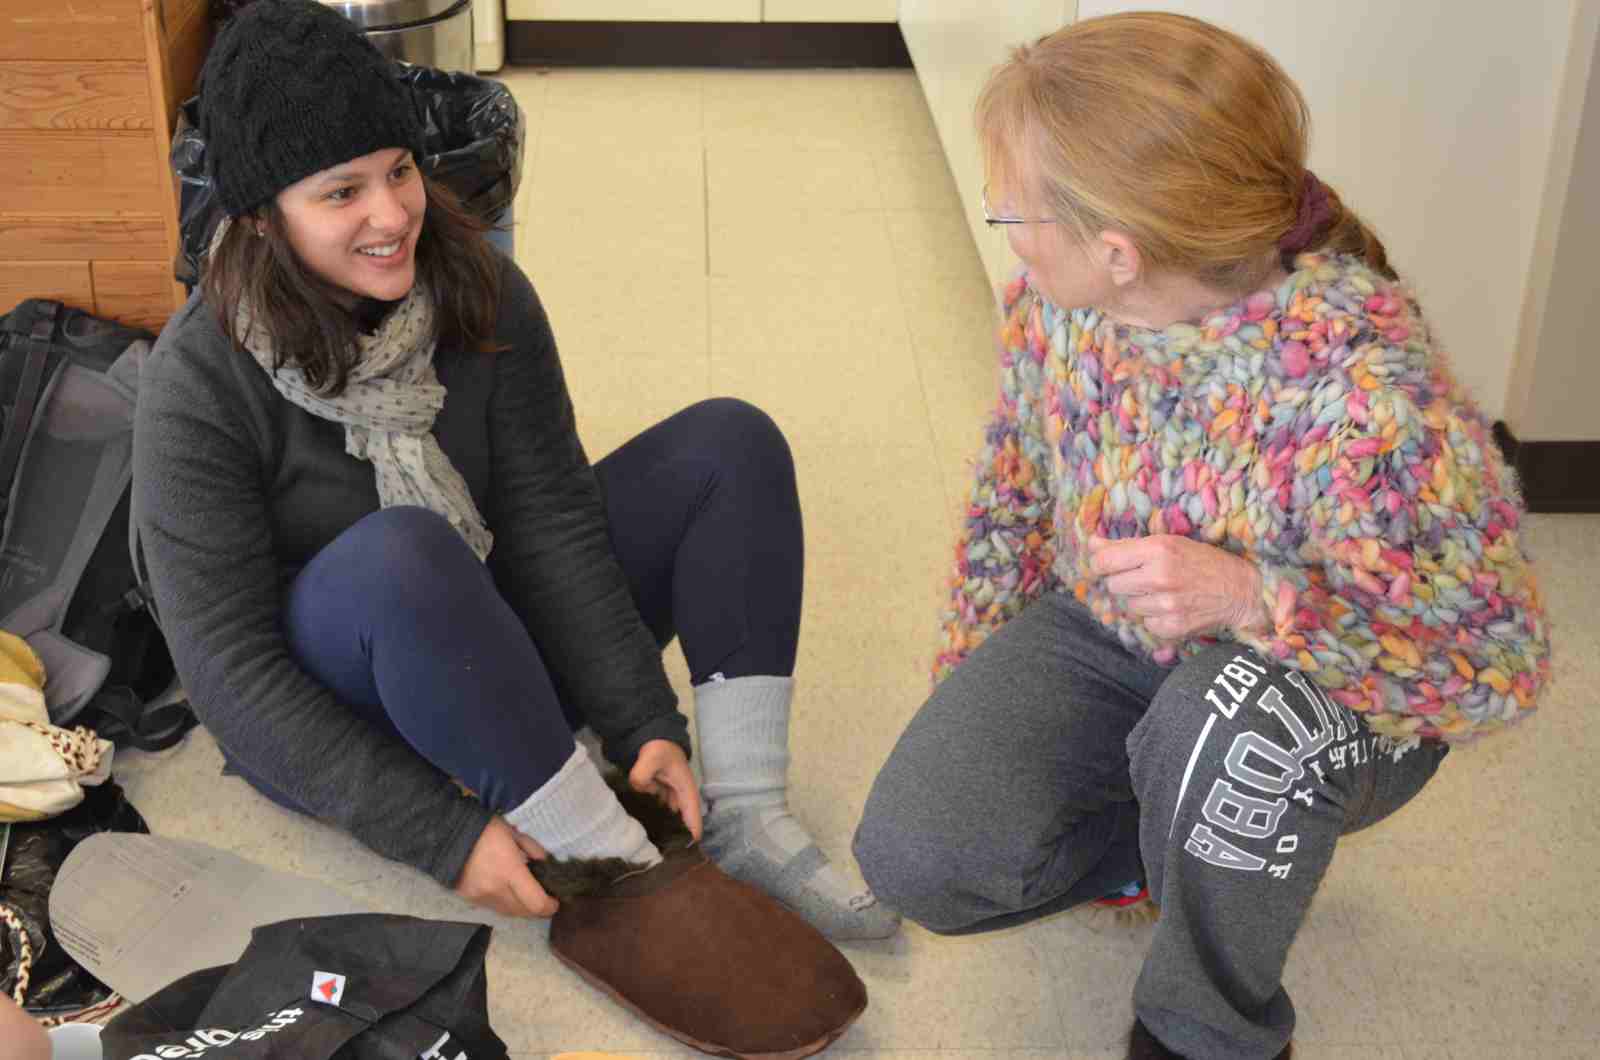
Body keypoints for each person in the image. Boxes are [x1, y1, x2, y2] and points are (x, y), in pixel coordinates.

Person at [852, 12, 1551, 1060]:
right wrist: (981, 714)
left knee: (1216, 724)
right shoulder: (1057, 311)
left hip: (1332, 683)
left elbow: (1494, 665)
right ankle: (1181, 835)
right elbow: (1010, 506)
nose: (1004, 225)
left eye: (1013, 210)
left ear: (1117, 252)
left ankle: (1209, 1029)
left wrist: (1254, 597)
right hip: (1121, 635)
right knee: (919, 855)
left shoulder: (1366, 389)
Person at [132, 0, 897, 943]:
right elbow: (230, 677)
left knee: (729, 446)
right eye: (341, 193)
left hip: (490, 646)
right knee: (402, 554)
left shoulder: (481, 289)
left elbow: (551, 523)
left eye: (399, 170)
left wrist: (642, 723)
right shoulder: (196, 382)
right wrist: (444, 835)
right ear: (261, 220)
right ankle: (608, 865)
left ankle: (743, 814)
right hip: (349, 710)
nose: (391, 215)